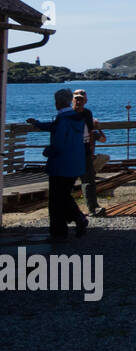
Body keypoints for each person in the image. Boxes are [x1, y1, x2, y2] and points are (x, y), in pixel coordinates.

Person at [27, 89, 89, 240]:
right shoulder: (76, 117)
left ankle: (60, 231)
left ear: (58, 102)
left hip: (61, 164)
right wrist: (39, 124)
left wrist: (47, 152)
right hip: (76, 163)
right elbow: (56, 127)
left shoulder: (63, 119)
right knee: (63, 196)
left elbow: (59, 143)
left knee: (56, 199)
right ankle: (77, 220)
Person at [71, 89, 106, 216]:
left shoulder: (87, 113)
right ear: (72, 100)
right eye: (76, 99)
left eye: (81, 99)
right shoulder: (67, 114)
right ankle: (67, 210)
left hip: (85, 150)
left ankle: (93, 208)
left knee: (89, 181)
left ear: (85, 101)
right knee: (67, 181)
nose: (79, 101)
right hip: (71, 151)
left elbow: (91, 133)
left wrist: (91, 150)